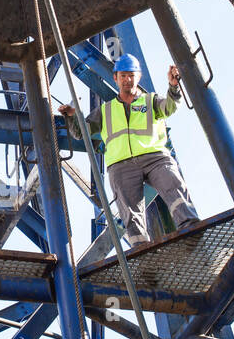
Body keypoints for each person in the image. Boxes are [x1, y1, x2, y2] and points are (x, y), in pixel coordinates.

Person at [58, 54, 199, 250]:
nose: (127, 80)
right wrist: (73, 116)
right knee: (130, 213)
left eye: (131, 75)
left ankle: (191, 228)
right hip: (121, 165)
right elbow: (81, 132)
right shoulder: (105, 111)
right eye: (123, 76)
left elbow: (169, 107)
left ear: (138, 77)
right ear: (116, 78)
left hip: (155, 158)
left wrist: (174, 87)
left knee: (172, 183)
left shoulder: (151, 101)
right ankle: (142, 251)